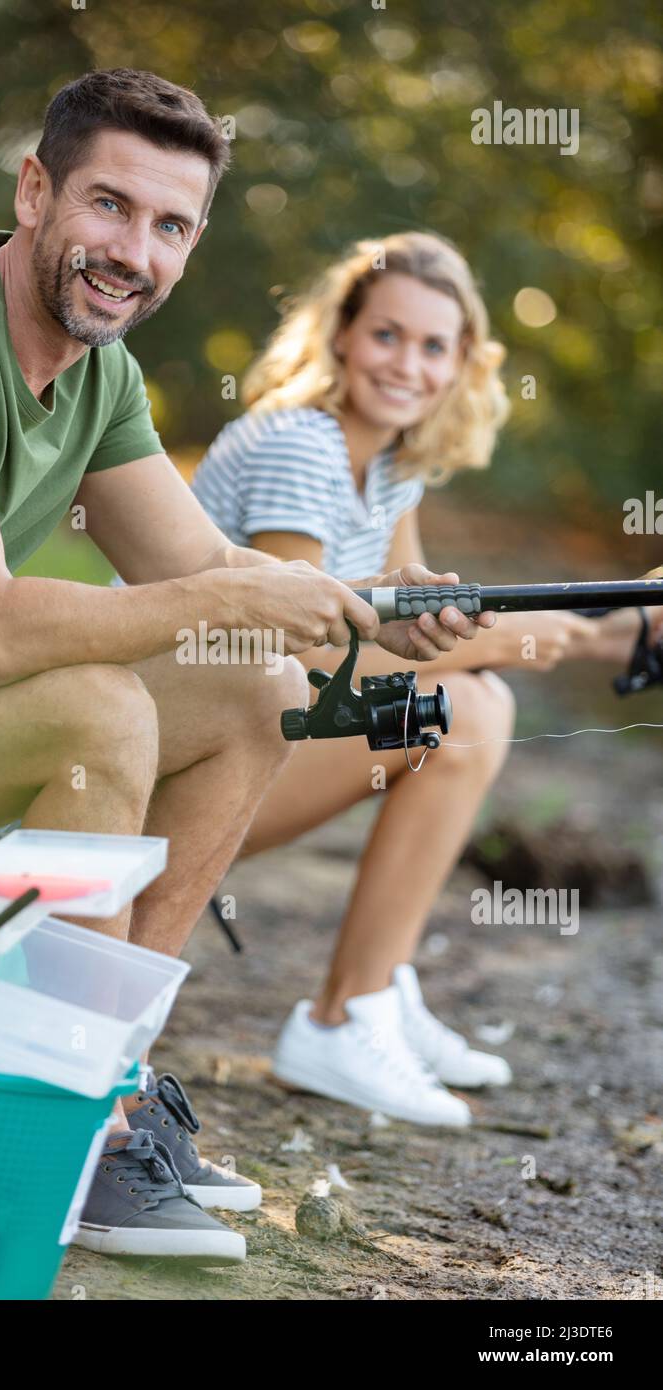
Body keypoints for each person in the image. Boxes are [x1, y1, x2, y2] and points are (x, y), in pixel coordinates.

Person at [0, 75, 492, 1263]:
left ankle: (99, 1090)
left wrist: (371, 617)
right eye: (109, 207)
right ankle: (58, 1126)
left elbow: (209, 565)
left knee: (249, 688)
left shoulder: (97, 371)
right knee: (98, 713)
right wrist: (226, 596)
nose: (133, 251)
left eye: (168, 225)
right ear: (34, 190)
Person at [191, 231, 649, 1126]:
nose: (406, 363)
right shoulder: (302, 445)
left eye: (433, 345)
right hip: (188, 753)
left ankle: (378, 989)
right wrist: (597, 634)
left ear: (461, 363)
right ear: (342, 335)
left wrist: (622, 620)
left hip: (256, 737)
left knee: (472, 699)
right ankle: (340, 1018)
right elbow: (305, 649)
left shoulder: (392, 466)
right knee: (466, 711)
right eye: (386, 335)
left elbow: (423, 627)